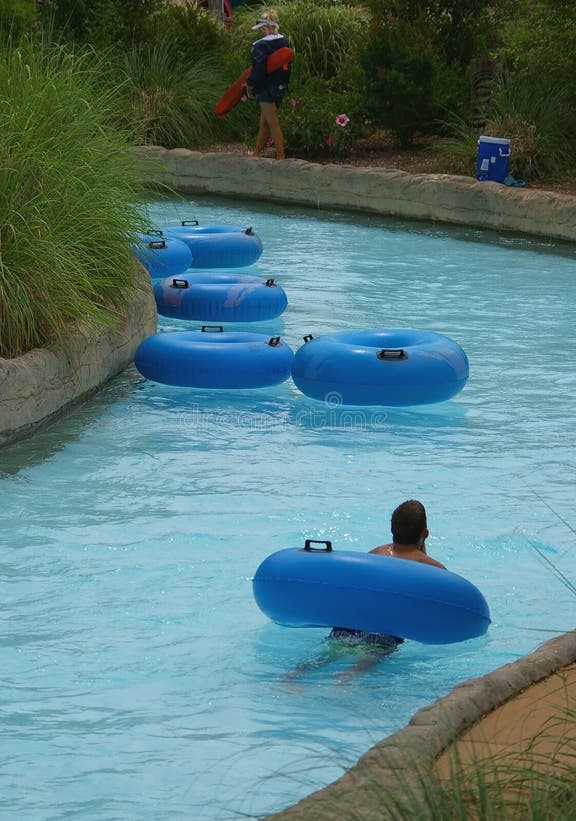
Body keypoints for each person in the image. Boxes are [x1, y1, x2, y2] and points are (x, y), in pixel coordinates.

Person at [284, 500, 446, 684]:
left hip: (346, 626)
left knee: (327, 653)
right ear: (425, 533)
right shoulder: (432, 569)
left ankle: (294, 675)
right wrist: (423, 552)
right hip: (382, 634)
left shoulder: (374, 554)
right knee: (371, 658)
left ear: (392, 529)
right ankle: (347, 677)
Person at [245, 11, 291, 160]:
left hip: (266, 89)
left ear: (266, 28)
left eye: (261, 29)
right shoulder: (283, 42)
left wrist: (250, 84)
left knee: (273, 124)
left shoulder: (261, 46)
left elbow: (259, 68)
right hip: (279, 87)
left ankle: (280, 156)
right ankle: (257, 152)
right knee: (264, 123)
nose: (259, 32)